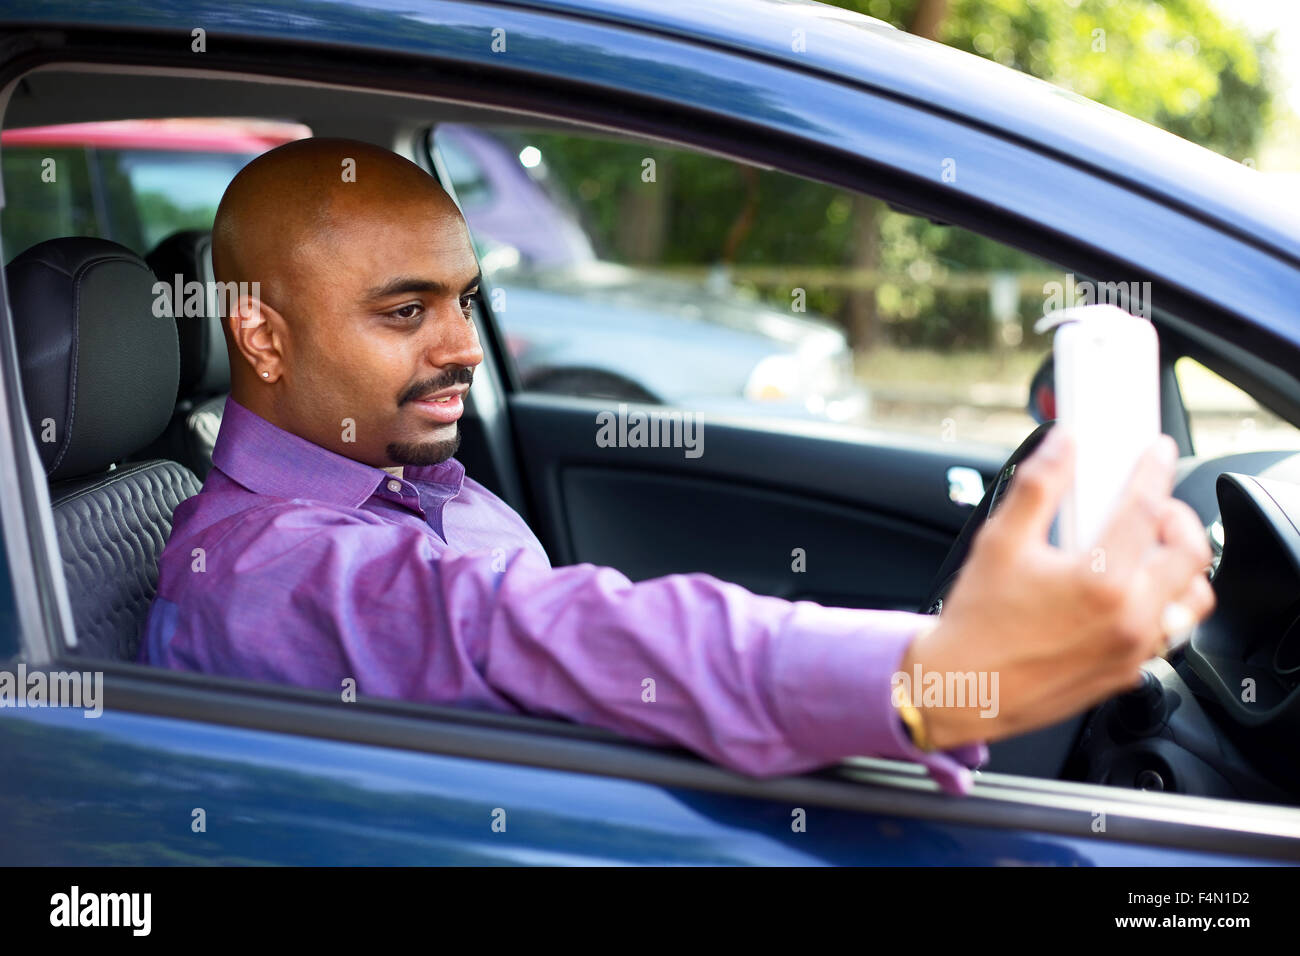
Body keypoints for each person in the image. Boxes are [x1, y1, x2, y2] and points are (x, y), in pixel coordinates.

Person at [139, 138, 1215, 795]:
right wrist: (929, 677)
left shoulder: (406, 480)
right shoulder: (263, 570)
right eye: (406, 310)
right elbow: (535, 630)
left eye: (463, 299)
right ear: (265, 338)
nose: (464, 345)